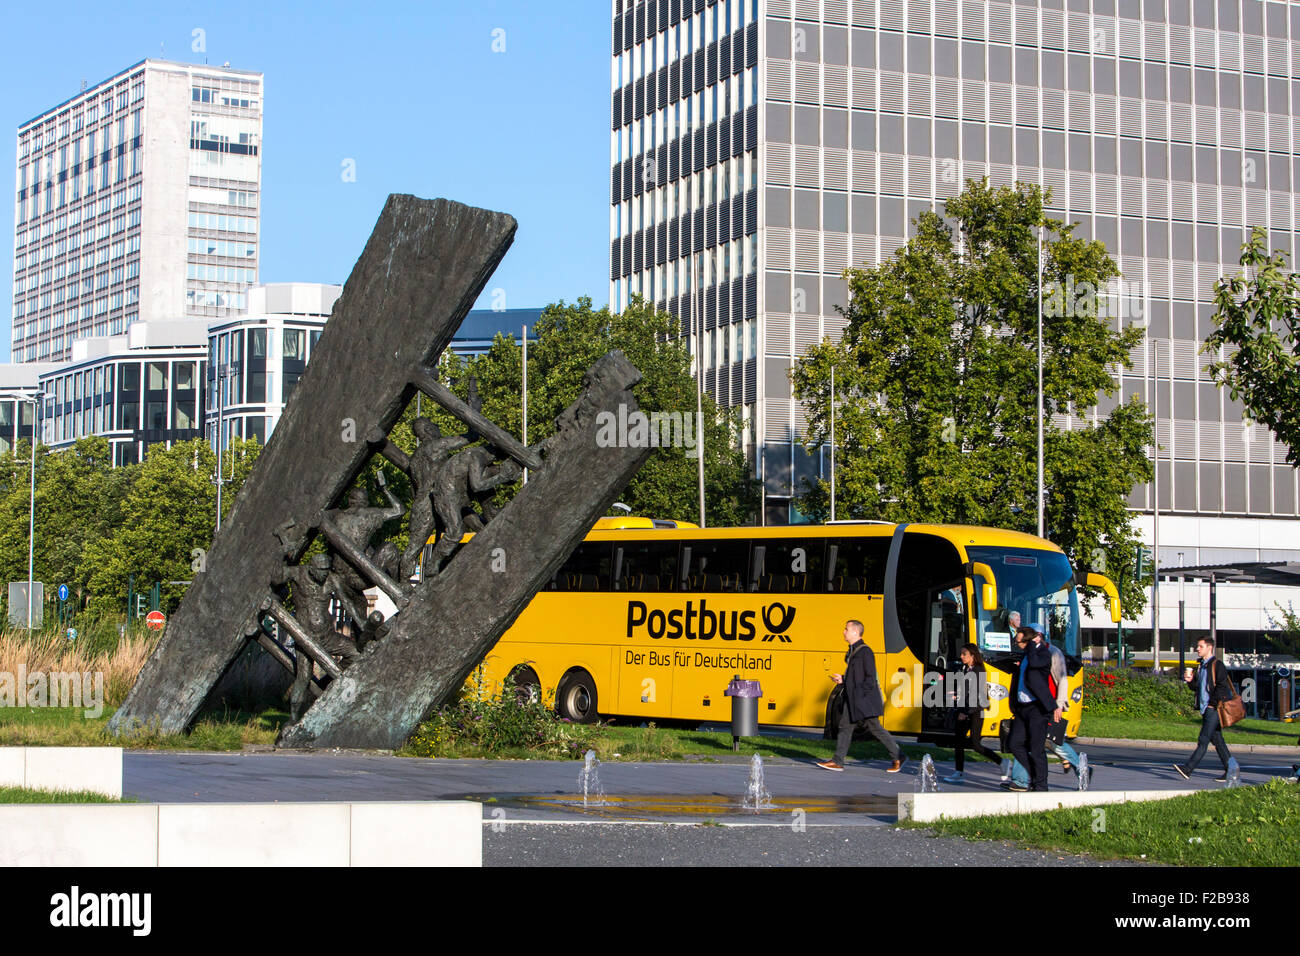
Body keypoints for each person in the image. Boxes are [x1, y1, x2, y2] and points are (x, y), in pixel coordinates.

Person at [817, 620, 906, 773]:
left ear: (855, 632)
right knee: (845, 727)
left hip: (863, 700)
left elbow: (870, 677)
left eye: (846, 629)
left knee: (875, 728)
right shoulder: (853, 651)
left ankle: (899, 756)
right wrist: (843, 679)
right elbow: (856, 676)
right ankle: (838, 761)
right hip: (854, 698)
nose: (844, 632)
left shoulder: (865, 652)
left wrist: (861, 697)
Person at [1006, 636, 1090, 787]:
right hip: (1035, 706)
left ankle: (1023, 781)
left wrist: (1059, 704)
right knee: (1036, 741)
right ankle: (1021, 780)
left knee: (1049, 741)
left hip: (1046, 706)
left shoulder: (1053, 652)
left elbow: (1062, 679)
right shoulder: (1030, 654)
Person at [1174, 637, 1236, 782]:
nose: (1197, 649)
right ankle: (1231, 770)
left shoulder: (1217, 665)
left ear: (1209, 648)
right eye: (1198, 646)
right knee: (1218, 740)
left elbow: (1222, 687)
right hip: (1205, 708)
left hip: (1213, 708)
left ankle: (1188, 768)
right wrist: (1190, 682)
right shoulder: (1202, 665)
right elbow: (1199, 687)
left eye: (1200, 646)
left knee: (1203, 739)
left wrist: (1212, 704)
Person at [1006, 623, 1056, 792]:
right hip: (1022, 708)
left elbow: (1035, 664)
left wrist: (1034, 645)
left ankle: (1041, 785)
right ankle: (1035, 774)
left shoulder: (1042, 654)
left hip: (1037, 708)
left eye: (1020, 641)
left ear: (1029, 641)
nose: (1017, 644)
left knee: (1036, 749)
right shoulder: (1026, 655)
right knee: (1014, 743)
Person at [944, 643, 1000, 783]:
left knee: (975, 744)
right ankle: (959, 772)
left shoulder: (978, 671)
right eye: (961, 654)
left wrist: (965, 712)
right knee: (959, 741)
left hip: (975, 711)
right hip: (967, 709)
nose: (961, 656)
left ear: (972, 656)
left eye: (964, 654)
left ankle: (1001, 761)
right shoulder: (966, 669)